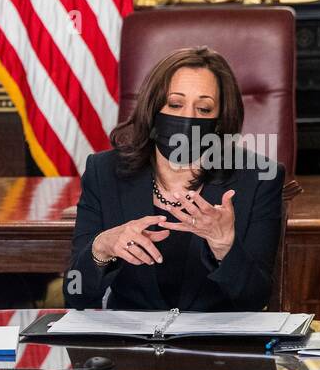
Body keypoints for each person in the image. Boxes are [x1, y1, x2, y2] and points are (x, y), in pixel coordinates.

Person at [65, 46, 284, 312]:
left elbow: (256, 298)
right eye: (175, 104)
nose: (187, 118)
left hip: (216, 346)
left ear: (219, 120)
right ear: (153, 107)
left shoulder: (257, 177)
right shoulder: (104, 171)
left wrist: (225, 246)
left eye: (203, 109)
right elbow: (75, 294)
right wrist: (102, 247)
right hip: (131, 346)